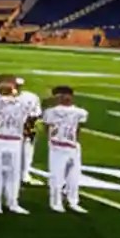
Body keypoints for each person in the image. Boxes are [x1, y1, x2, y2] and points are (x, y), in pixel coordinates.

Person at [0, 75, 31, 215]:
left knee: (12, 173)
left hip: (12, 139)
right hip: (1, 138)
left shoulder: (22, 103)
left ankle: (12, 202)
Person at [43, 85, 89, 213]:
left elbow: (79, 128)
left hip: (73, 146)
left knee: (74, 177)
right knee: (56, 177)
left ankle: (73, 201)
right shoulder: (51, 111)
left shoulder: (80, 112)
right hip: (58, 146)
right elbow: (47, 127)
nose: (66, 98)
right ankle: (56, 202)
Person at [15, 77, 43, 185]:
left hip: (23, 128)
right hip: (12, 129)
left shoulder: (31, 97)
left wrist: (29, 128)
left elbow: (35, 115)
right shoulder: (5, 98)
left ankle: (24, 174)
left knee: (27, 153)